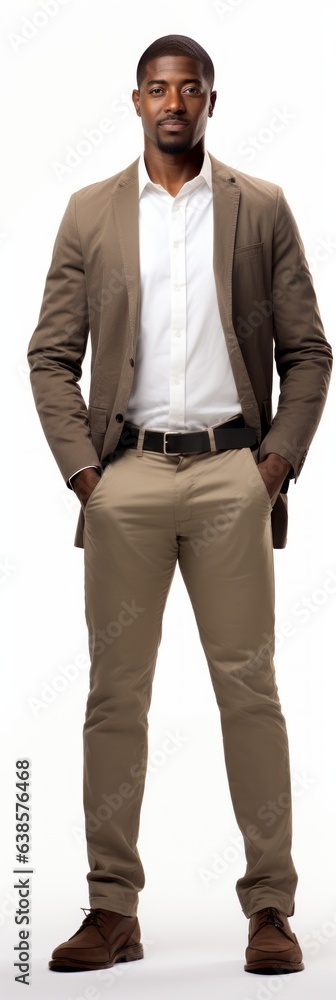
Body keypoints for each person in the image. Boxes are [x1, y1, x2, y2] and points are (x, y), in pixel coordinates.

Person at [27, 33, 332, 976]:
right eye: (158, 89)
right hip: (126, 480)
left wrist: (273, 465)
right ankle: (112, 909)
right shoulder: (89, 214)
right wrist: (88, 475)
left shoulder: (261, 209)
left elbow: (308, 352)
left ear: (210, 100)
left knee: (251, 691)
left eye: (189, 89)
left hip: (230, 476)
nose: (174, 103)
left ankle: (270, 908)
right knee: (114, 698)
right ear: (135, 101)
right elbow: (50, 356)